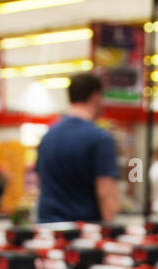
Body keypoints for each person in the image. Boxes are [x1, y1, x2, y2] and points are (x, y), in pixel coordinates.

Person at [35, 73, 119, 223]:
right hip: (82, 233)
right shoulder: (99, 139)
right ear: (96, 97)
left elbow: (41, 182)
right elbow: (106, 193)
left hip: (48, 230)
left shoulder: (47, 136)